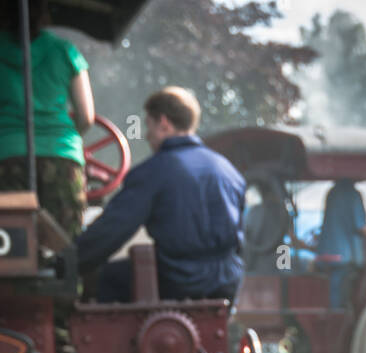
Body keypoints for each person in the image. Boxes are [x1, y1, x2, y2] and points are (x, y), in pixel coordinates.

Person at [74, 86, 246, 305]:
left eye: (149, 126)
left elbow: (112, 230)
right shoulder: (228, 170)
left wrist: (70, 261)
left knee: (108, 277)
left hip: (178, 280)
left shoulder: (154, 171)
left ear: (163, 123)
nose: (146, 136)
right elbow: (240, 241)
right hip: (227, 283)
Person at [0, 0, 94, 240]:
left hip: (7, 154)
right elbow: (86, 116)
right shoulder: (65, 51)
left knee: (13, 244)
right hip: (62, 155)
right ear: (44, 13)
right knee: (64, 244)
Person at [316, 179, 366, 307]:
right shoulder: (353, 195)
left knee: (332, 288)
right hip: (344, 255)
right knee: (341, 293)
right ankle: (338, 319)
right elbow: (361, 226)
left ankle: (333, 315)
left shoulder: (332, 193)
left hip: (327, 252)